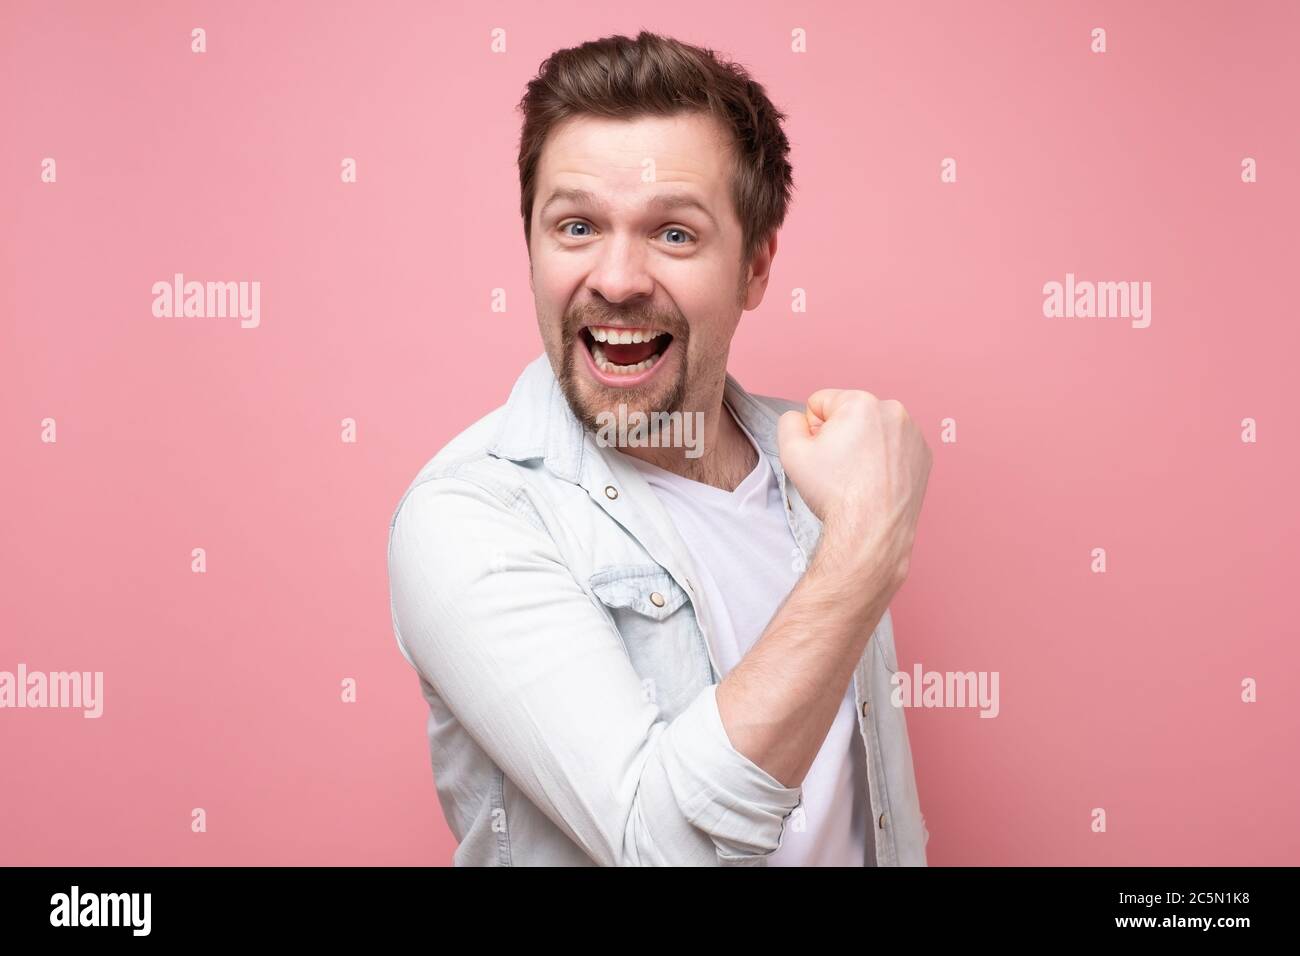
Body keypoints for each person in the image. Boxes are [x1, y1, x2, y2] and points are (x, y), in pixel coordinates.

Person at [387, 31, 933, 866]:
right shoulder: (472, 517)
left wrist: (853, 528)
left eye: (674, 234)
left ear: (754, 266)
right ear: (529, 244)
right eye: (575, 226)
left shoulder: (826, 477)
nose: (616, 278)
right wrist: (864, 552)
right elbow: (663, 847)